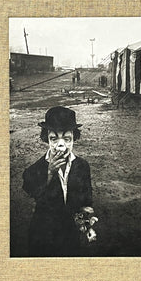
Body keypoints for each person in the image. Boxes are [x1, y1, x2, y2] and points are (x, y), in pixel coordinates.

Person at [22, 106, 93, 256]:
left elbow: (86, 201)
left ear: (74, 138)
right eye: (54, 139)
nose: (61, 146)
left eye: (67, 139)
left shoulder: (82, 166)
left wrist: (87, 225)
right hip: (43, 237)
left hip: (71, 236)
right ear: (46, 138)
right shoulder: (34, 170)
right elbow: (32, 191)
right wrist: (49, 172)